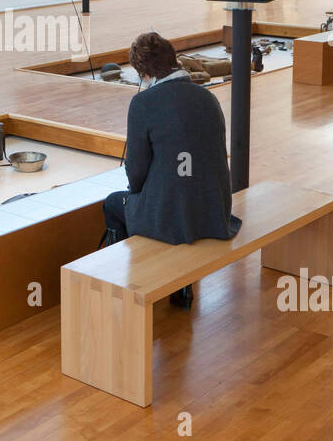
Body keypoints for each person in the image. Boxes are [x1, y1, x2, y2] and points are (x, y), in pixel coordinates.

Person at [102, 32, 241, 308]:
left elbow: (137, 172)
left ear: (143, 73)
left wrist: (138, 195)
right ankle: (182, 288)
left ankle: (125, 289)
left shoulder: (143, 103)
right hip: (214, 210)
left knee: (113, 204)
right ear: (173, 60)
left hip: (174, 216)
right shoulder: (207, 97)